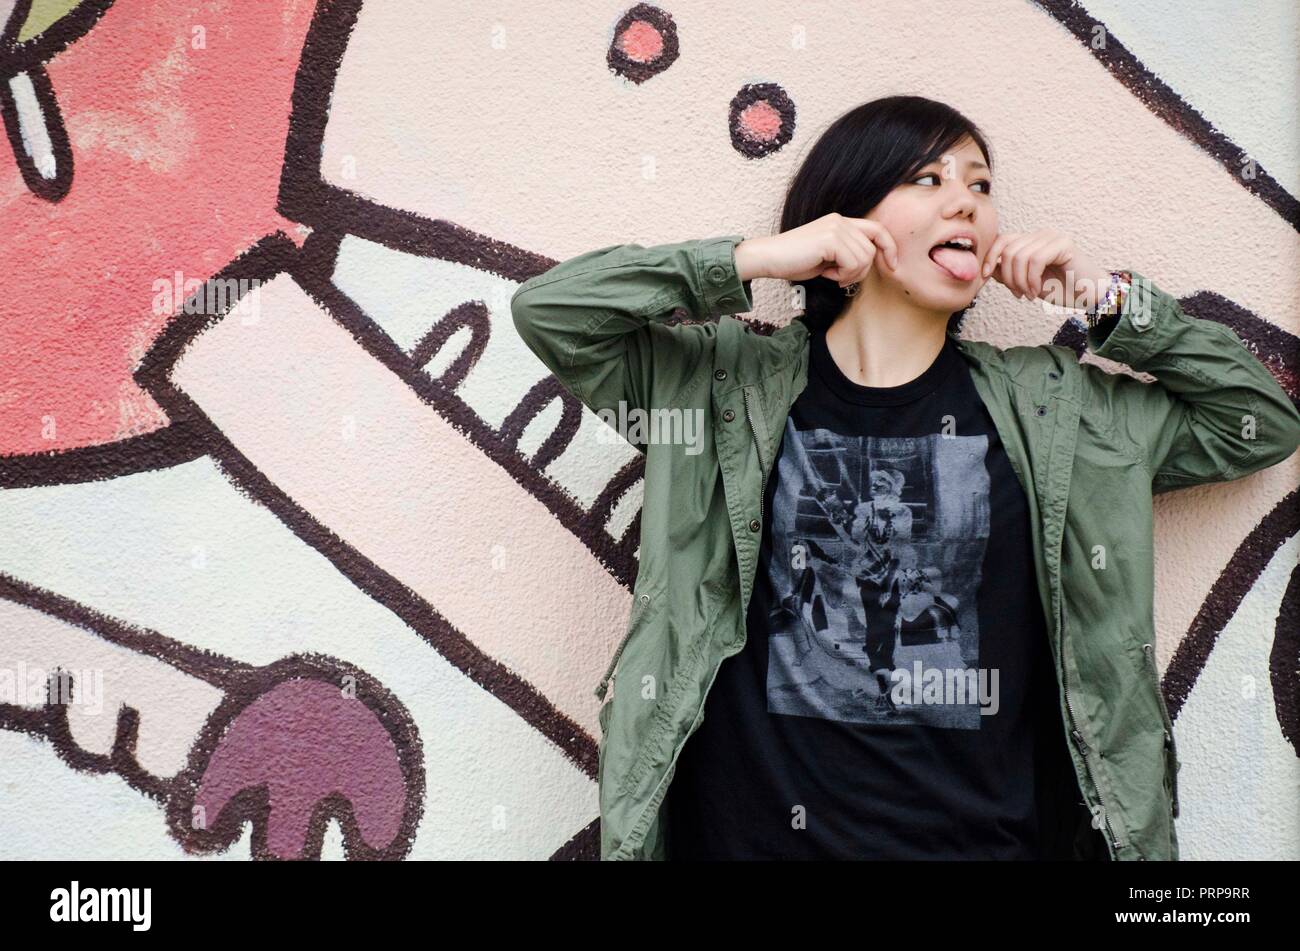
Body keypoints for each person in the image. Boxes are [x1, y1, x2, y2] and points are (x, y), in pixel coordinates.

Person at [511, 95, 1300, 861]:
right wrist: (754, 259)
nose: (966, 202)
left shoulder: (1059, 411)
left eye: (981, 185)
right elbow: (553, 312)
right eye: (929, 179)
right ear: (845, 218)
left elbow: (1258, 422)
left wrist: (1106, 299)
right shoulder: (718, 390)